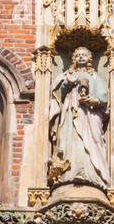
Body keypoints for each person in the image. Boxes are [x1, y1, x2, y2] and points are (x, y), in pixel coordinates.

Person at [47, 46, 109, 190]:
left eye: (84, 55)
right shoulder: (67, 74)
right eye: (78, 55)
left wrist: (95, 101)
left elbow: (104, 96)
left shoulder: (95, 76)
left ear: (90, 59)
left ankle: (92, 175)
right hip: (70, 111)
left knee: (92, 139)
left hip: (90, 114)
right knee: (70, 140)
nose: (81, 57)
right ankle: (68, 174)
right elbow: (57, 95)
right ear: (74, 58)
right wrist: (68, 83)